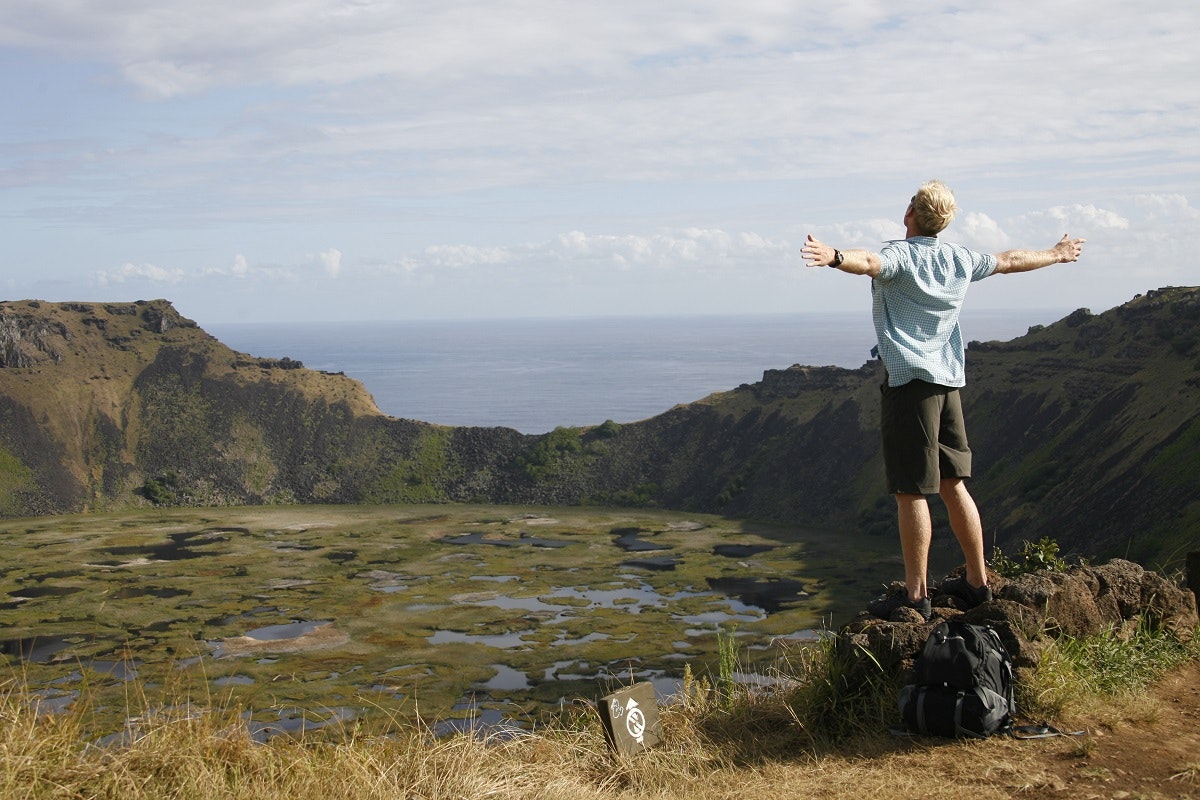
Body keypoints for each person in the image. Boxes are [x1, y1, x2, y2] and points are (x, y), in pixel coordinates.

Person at [801, 180, 1085, 620]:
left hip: (911, 385)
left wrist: (835, 257)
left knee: (911, 491)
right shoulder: (958, 259)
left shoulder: (900, 256)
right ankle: (977, 582)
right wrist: (1057, 253)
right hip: (948, 384)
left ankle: (916, 597)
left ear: (910, 214)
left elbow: (871, 261)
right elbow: (1009, 260)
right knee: (954, 484)